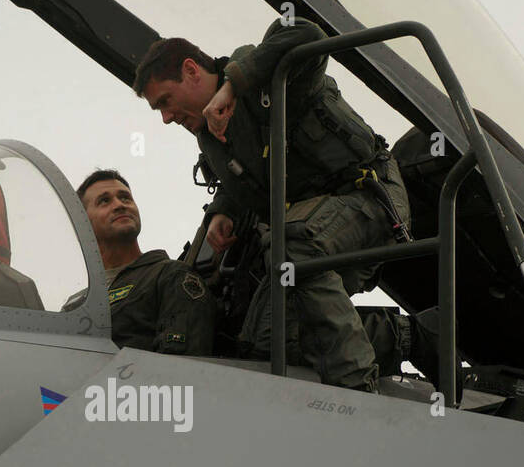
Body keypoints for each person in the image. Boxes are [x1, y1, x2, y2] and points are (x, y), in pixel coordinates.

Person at [133, 19, 411, 391]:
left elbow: (307, 33)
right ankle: (415, 338)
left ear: (190, 70)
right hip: (312, 227)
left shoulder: (264, 76)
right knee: (265, 340)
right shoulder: (212, 138)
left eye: (165, 102)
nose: (166, 118)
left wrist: (233, 85)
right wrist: (224, 211)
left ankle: (358, 392)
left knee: (292, 245)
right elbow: (253, 179)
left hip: (369, 198)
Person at [66, 169, 215, 356]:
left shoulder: (170, 276)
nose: (120, 205)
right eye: (105, 201)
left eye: (125, 198)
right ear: (83, 221)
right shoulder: (75, 305)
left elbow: (182, 368)